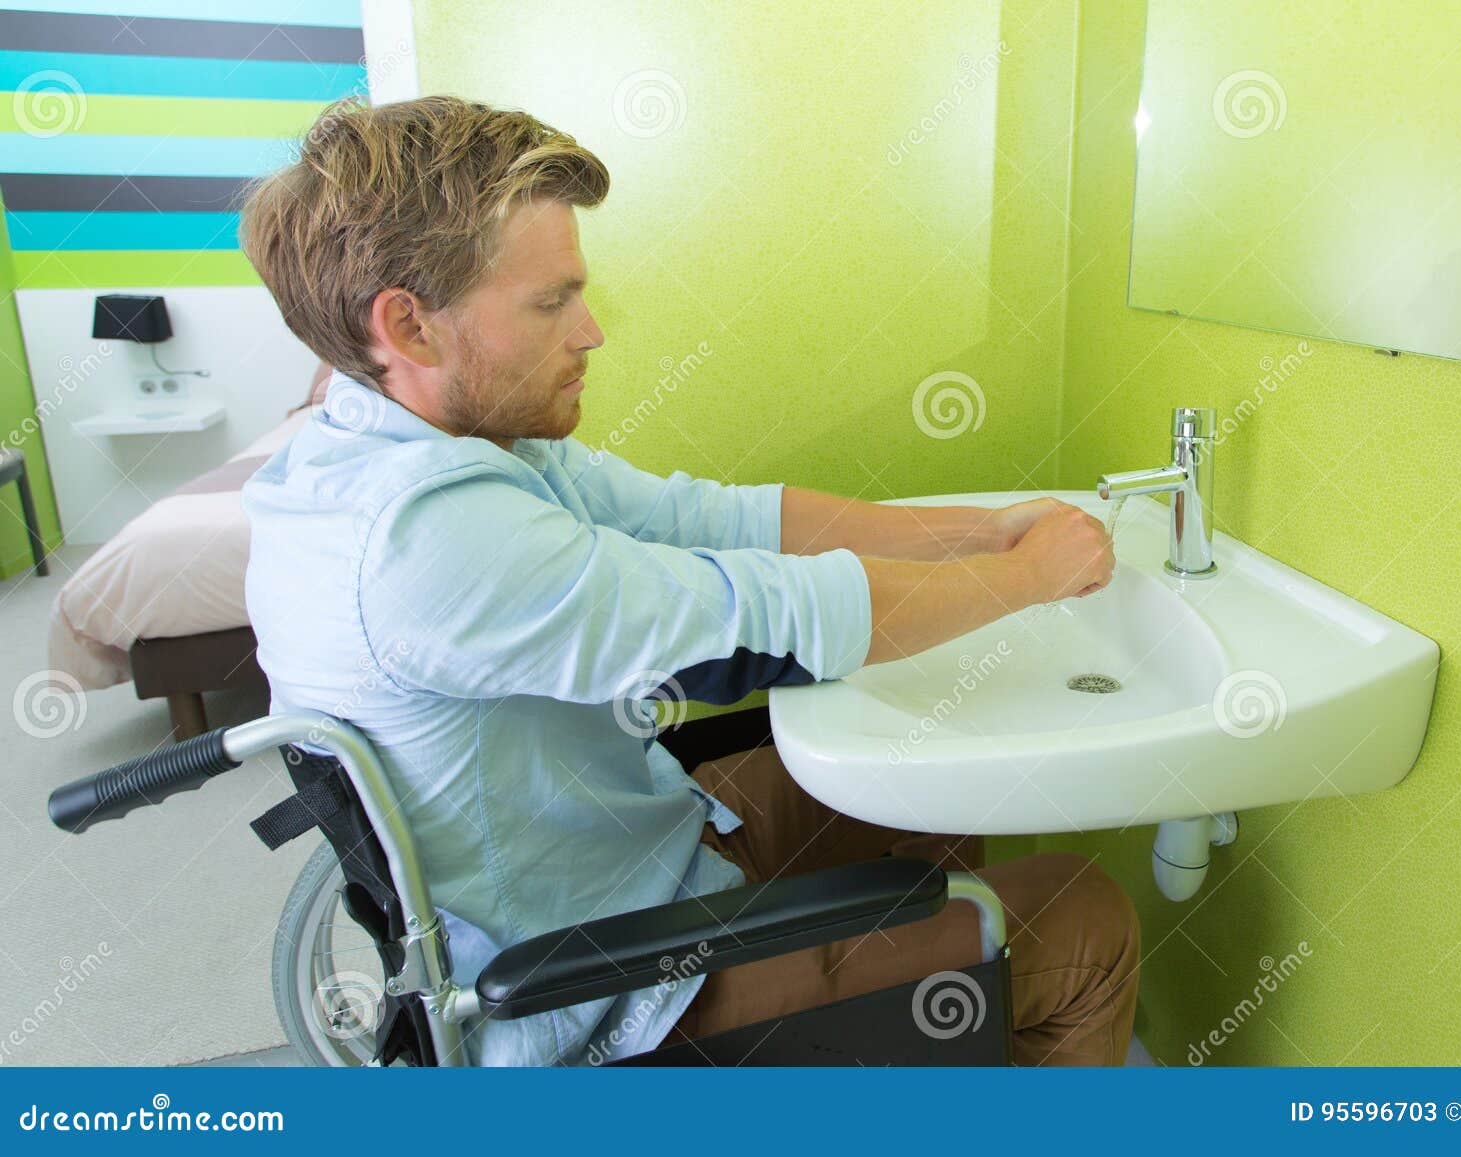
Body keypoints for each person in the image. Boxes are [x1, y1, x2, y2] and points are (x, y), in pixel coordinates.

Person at [238, 94, 1138, 1067]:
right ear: (409, 326)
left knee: (930, 784)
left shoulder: (417, 443)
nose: (590, 332)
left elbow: (705, 518)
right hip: (606, 990)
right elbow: (759, 620)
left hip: (641, 859)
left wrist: (972, 533)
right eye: (551, 301)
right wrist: (1032, 577)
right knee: (1086, 918)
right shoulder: (425, 535)